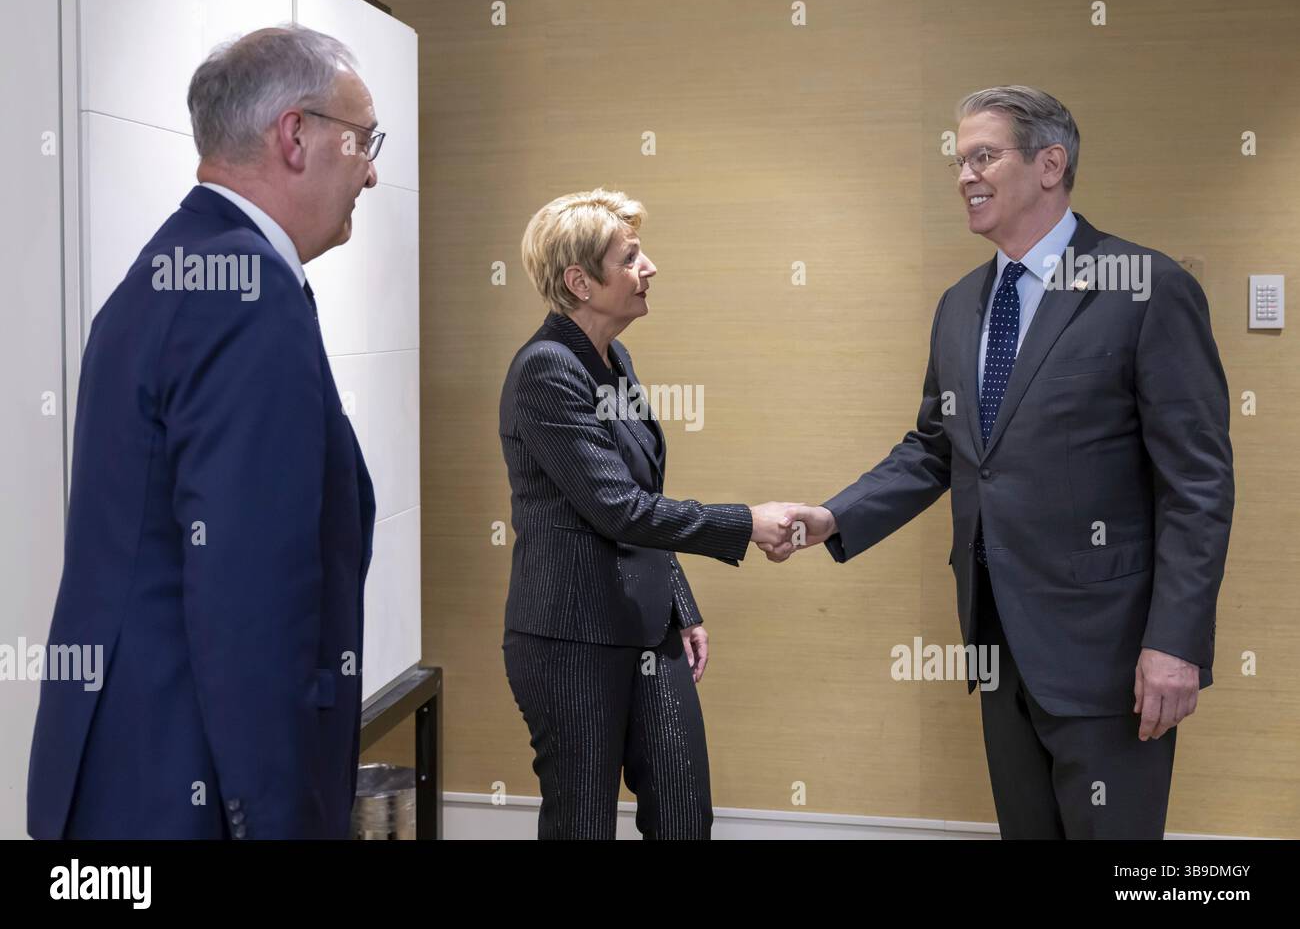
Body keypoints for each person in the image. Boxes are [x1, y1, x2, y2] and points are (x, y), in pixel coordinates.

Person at [773, 86, 1233, 839]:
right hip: (998, 647)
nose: (964, 175)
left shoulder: (1144, 287)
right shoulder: (961, 304)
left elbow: (1199, 484)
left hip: (1109, 657)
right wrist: (834, 517)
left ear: (1050, 165)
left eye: (984, 156)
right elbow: (935, 448)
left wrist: (1176, 643)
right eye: (959, 161)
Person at [28, 25, 382, 839]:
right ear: (296, 135)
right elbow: (251, 607)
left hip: (120, 779)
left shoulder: (167, 268)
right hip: (188, 792)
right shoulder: (248, 291)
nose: (371, 170)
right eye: (363, 141)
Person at [499, 188, 794, 839]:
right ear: (580, 281)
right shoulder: (546, 370)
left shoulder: (613, 358)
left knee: (685, 815)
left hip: (646, 627)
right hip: (570, 640)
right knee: (583, 825)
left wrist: (678, 605)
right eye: (631, 257)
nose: (649, 267)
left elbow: (641, 493)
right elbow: (619, 509)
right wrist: (746, 522)